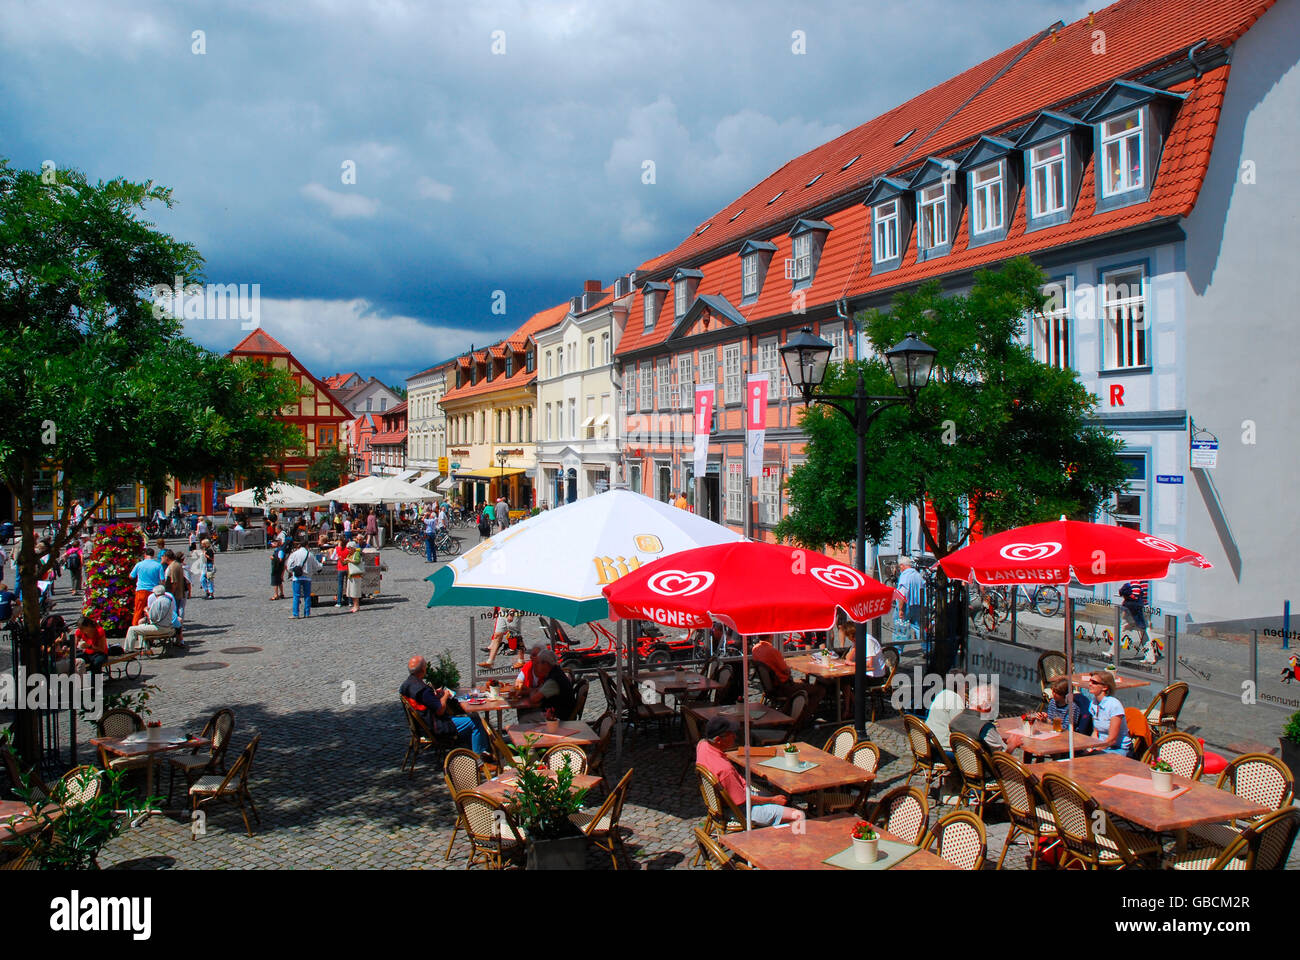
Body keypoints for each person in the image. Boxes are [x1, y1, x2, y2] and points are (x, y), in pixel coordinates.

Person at [695, 716, 805, 828]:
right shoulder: (725, 770)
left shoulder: (702, 745)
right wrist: (772, 800)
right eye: (730, 734)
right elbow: (744, 800)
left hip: (721, 804)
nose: (734, 736)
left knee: (769, 793)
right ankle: (784, 841)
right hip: (738, 812)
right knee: (799, 815)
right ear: (718, 740)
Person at [401, 655, 490, 756]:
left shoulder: (406, 685)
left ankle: (477, 750)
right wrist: (445, 695)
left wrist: (434, 696)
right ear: (422, 670)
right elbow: (440, 710)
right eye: (425, 666)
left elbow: (424, 701)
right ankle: (481, 758)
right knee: (475, 723)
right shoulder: (423, 690)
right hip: (435, 726)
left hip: (421, 726)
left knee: (474, 716)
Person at [750, 637, 824, 714]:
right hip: (782, 687)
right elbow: (786, 670)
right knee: (819, 690)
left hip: (771, 687)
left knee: (803, 682)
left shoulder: (755, 649)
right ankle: (802, 718)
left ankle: (793, 709)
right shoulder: (772, 651)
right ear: (771, 635)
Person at [950, 684, 1024, 753]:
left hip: (963, 764)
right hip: (985, 766)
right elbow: (1002, 755)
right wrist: (1013, 744)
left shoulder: (955, 721)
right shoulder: (985, 728)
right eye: (993, 704)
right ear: (985, 705)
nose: (994, 708)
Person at [514, 649, 575, 722]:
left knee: (524, 718)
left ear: (546, 664)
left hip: (559, 717)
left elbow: (534, 699)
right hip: (558, 710)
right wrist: (527, 691)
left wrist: (526, 693)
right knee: (524, 711)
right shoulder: (556, 672)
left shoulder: (552, 680)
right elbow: (540, 690)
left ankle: (528, 732)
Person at [124, 584, 181, 652]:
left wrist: (147, 611)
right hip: (168, 627)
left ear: (155, 594)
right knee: (140, 626)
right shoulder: (168, 600)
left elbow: (152, 619)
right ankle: (145, 648)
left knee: (131, 629)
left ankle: (128, 650)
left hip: (159, 628)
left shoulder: (156, 603)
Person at [1086, 672, 1132, 755]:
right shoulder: (1093, 703)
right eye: (1090, 681)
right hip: (1101, 746)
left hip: (1118, 749)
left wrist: (1095, 751)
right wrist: (1091, 747)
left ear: (1105, 687)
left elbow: (1112, 739)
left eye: (1094, 682)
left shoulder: (1114, 705)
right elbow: (1095, 732)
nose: (1090, 684)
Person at [896, 556, 927, 655]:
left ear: (902, 566)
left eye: (899, 566)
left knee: (901, 628)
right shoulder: (918, 575)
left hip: (907, 606)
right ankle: (927, 648)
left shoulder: (905, 576)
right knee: (919, 628)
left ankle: (897, 651)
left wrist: (900, 609)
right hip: (918, 605)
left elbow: (902, 594)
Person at [1118, 582, 1156, 664]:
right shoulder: (1145, 579)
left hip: (1135, 609)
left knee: (1123, 629)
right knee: (1145, 633)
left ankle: (1113, 653)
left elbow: (1135, 596)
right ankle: (1150, 657)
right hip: (1145, 606)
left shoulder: (1136, 579)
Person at [128, 547, 166, 626]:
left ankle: (135, 628)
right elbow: (162, 580)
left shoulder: (139, 564)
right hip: (154, 592)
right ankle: (154, 626)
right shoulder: (158, 565)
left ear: (145, 555)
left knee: (138, 610)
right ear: (153, 555)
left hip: (141, 590)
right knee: (153, 610)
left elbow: (131, 576)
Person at [287, 539, 323, 618]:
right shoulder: (310, 554)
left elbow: (289, 566)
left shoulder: (294, 554)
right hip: (307, 577)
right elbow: (317, 566)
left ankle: (295, 614)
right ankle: (307, 613)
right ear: (307, 545)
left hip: (297, 577)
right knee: (307, 595)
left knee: (296, 595)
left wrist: (293, 570)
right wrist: (322, 564)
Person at [163, 549, 188, 623]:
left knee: (174, 611)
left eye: (163, 557)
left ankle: (176, 627)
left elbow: (174, 582)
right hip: (179, 591)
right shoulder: (178, 564)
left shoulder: (173, 566)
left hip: (175, 593)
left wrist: (171, 594)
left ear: (167, 557)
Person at [345, 539, 365, 613]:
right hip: (351, 575)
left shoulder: (356, 553)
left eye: (349, 548)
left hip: (356, 575)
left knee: (355, 592)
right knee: (351, 592)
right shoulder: (350, 554)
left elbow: (357, 561)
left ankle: (357, 606)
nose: (348, 550)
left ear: (353, 548)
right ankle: (354, 605)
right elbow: (345, 562)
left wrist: (349, 560)